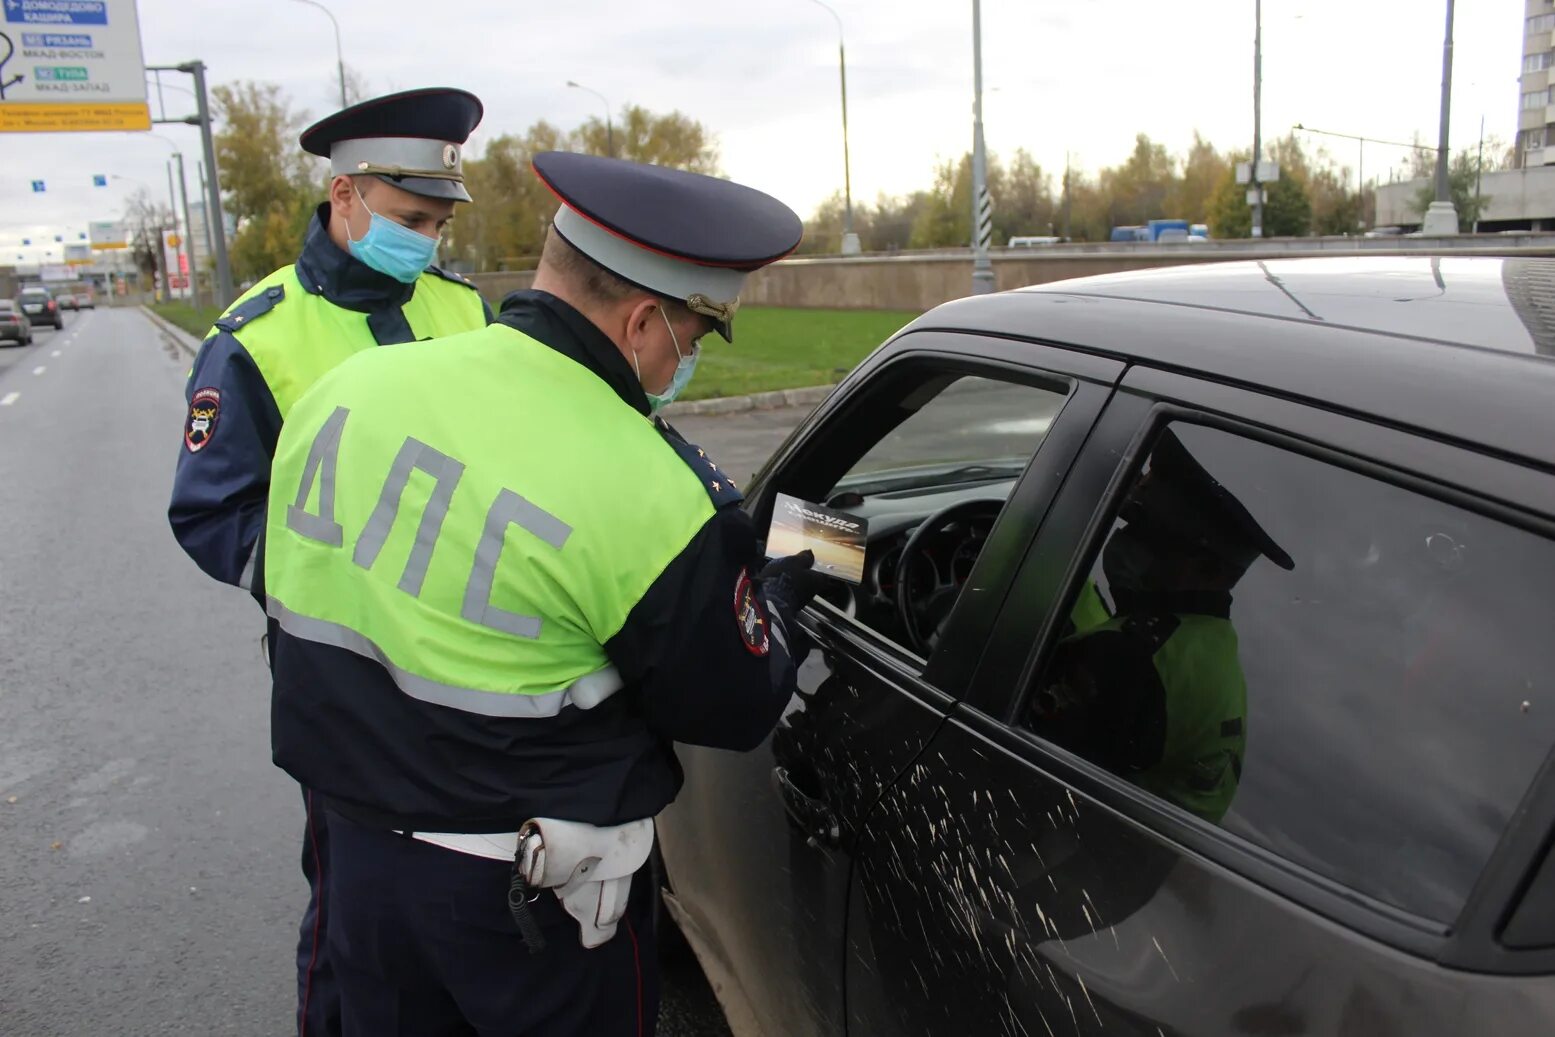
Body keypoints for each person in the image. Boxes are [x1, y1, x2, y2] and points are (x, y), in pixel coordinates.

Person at [261, 151, 821, 1035]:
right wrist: (776, 603)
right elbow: (730, 702)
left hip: (352, 865)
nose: (690, 356)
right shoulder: (651, 488)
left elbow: (293, 592)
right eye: (700, 331)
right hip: (530, 908)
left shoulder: (343, 393)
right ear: (644, 322)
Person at [165, 87, 490, 1037]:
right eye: (410, 220)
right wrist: (353, 584)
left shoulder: (463, 308)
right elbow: (214, 511)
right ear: (345, 195)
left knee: (469, 885)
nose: (427, 241)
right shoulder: (256, 336)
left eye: (437, 223)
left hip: (476, 652)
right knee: (357, 911)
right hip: (348, 677)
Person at [1032, 429, 1295, 823]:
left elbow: (1025, 768)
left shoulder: (1130, 660)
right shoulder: (1209, 643)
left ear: (1205, 569)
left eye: (1144, 531)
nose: (1123, 538)